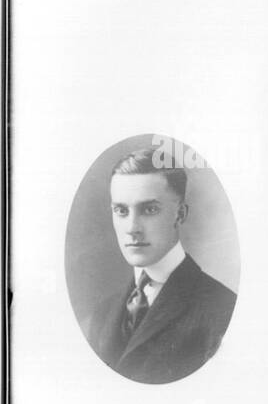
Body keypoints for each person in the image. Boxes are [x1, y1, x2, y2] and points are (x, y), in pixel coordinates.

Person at [87, 148, 237, 384]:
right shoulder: (100, 315)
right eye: (121, 211)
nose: (132, 228)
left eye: (149, 210)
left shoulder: (221, 309)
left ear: (180, 214)